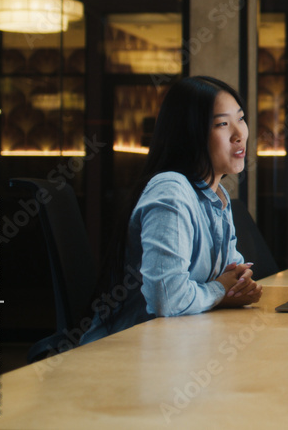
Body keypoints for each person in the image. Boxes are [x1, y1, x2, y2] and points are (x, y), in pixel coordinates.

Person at [81, 76, 262, 344]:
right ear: (190, 133)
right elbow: (168, 299)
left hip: (177, 347)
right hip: (122, 355)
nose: (240, 134)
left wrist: (237, 282)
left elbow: (232, 273)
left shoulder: (216, 196)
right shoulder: (171, 191)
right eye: (222, 124)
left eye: (241, 118)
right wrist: (220, 290)